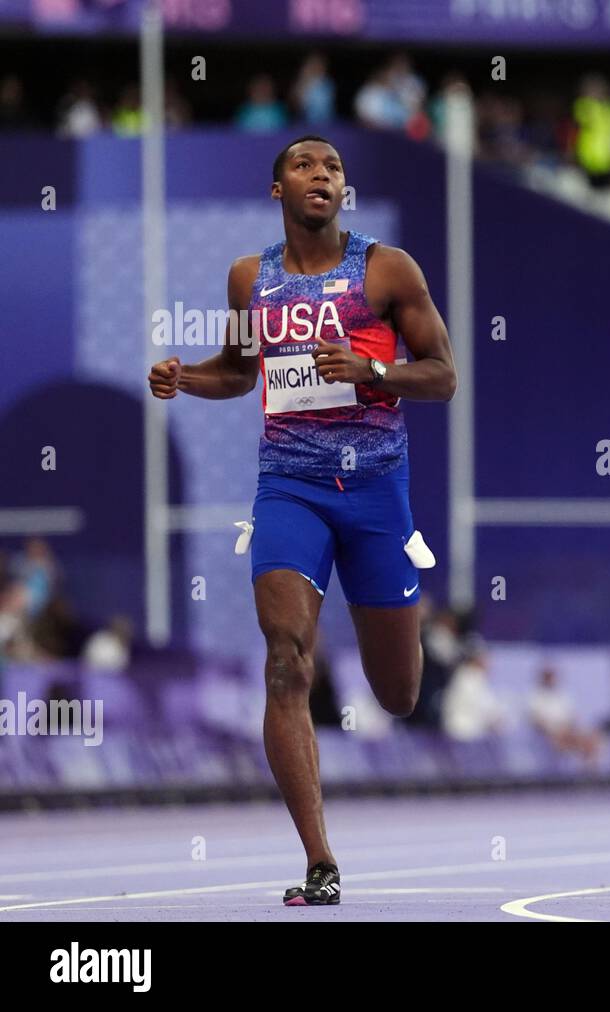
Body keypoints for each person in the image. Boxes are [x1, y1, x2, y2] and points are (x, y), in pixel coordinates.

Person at [147, 135, 456, 906]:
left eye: (335, 168)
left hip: (377, 489)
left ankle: (397, 648)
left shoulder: (388, 270)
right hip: (289, 487)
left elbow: (444, 375)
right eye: (305, 166)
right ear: (276, 189)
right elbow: (240, 371)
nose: (323, 176)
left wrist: (372, 369)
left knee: (398, 694)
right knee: (286, 659)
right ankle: (320, 860)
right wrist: (187, 376)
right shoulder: (251, 279)